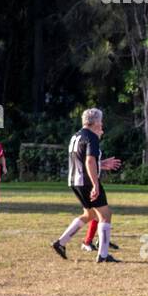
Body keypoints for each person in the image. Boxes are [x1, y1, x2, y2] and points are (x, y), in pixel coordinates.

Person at [51, 109, 123, 262]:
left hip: (74, 181)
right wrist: (95, 184)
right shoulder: (92, 137)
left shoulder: (76, 136)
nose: (102, 124)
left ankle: (61, 242)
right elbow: (89, 161)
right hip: (87, 181)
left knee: (89, 214)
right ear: (96, 122)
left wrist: (102, 164)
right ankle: (103, 255)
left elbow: (82, 160)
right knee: (105, 215)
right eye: (101, 121)